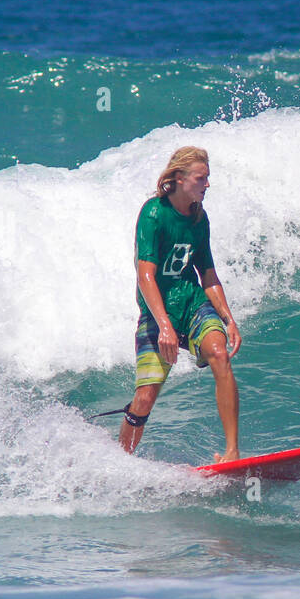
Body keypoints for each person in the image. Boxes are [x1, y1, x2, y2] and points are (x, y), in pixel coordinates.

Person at [118, 146, 242, 461]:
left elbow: (208, 275)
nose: (207, 185)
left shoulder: (200, 219)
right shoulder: (154, 213)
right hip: (158, 310)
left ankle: (231, 453)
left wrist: (228, 319)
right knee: (144, 398)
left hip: (192, 304)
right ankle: (120, 459)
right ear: (179, 178)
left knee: (219, 353)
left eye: (208, 178)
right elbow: (145, 276)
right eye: (202, 178)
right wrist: (163, 326)